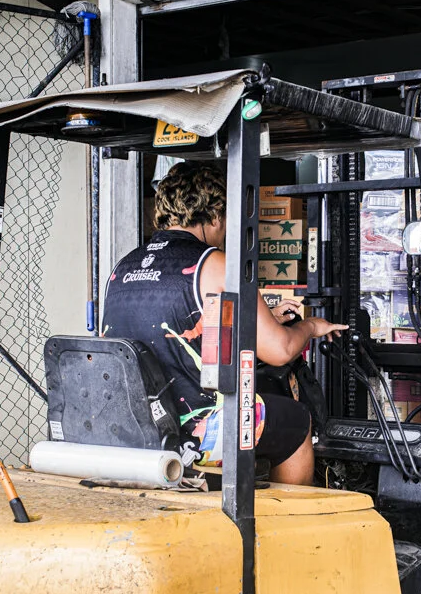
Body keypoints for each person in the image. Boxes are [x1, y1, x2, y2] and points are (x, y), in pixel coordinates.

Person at [101, 162, 347, 484]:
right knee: (295, 421)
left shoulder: (123, 267)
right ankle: (286, 515)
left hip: (134, 427)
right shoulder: (216, 264)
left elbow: (166, 322)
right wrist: (311, 327)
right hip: (194, 431)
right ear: (216, 215)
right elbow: (281, 350)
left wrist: (263, 318)